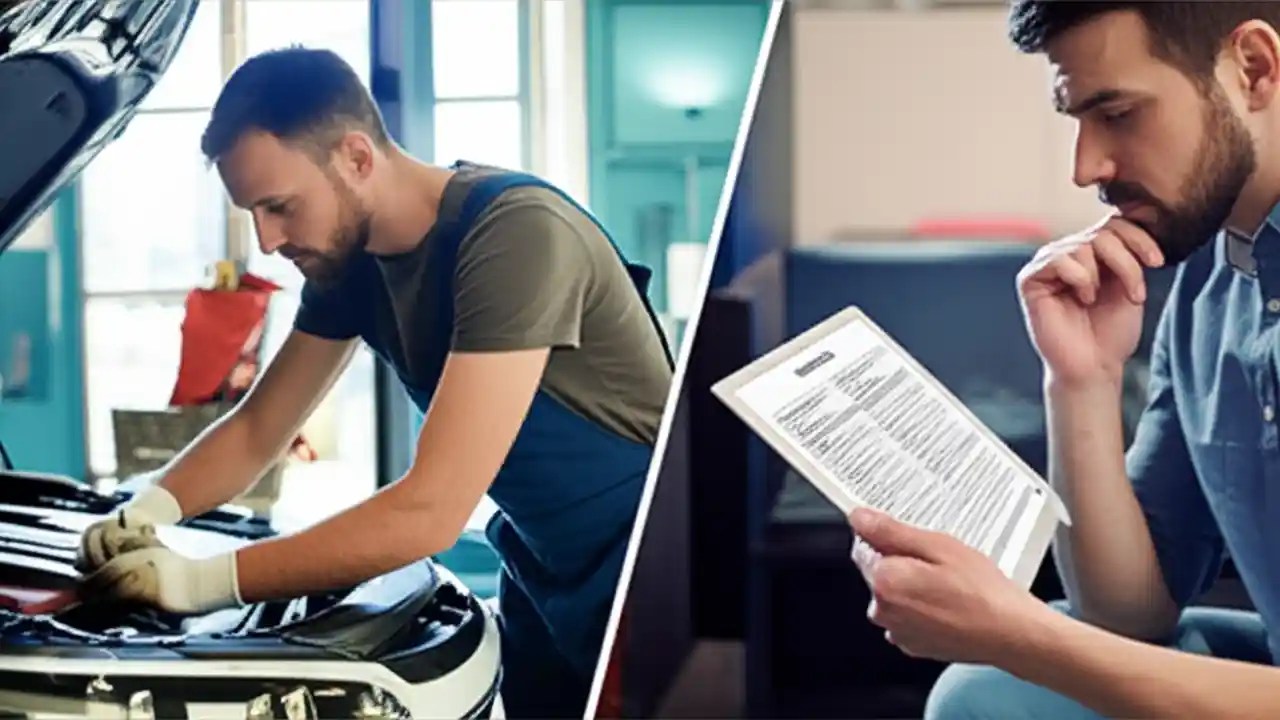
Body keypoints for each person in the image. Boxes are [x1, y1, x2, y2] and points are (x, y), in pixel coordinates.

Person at [74, 47, 673, 719]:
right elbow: (254, 431)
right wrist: (146, 509)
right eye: (253, 214)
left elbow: (432, 509)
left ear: (357, 157)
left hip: (648, 573)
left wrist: (204, 582)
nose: (268, 240)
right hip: (542, 574)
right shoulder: (349, 263)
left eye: (280, 206)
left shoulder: (517, 236)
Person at [844, 3, 1280, 718]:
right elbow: (1129, 614)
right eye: (1076, 117)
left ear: (1253, 70)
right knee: (982, 695)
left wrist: (1019, 633)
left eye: (1119, 113)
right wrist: (1081, 378)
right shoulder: (1209, 285)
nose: (1087, 168)